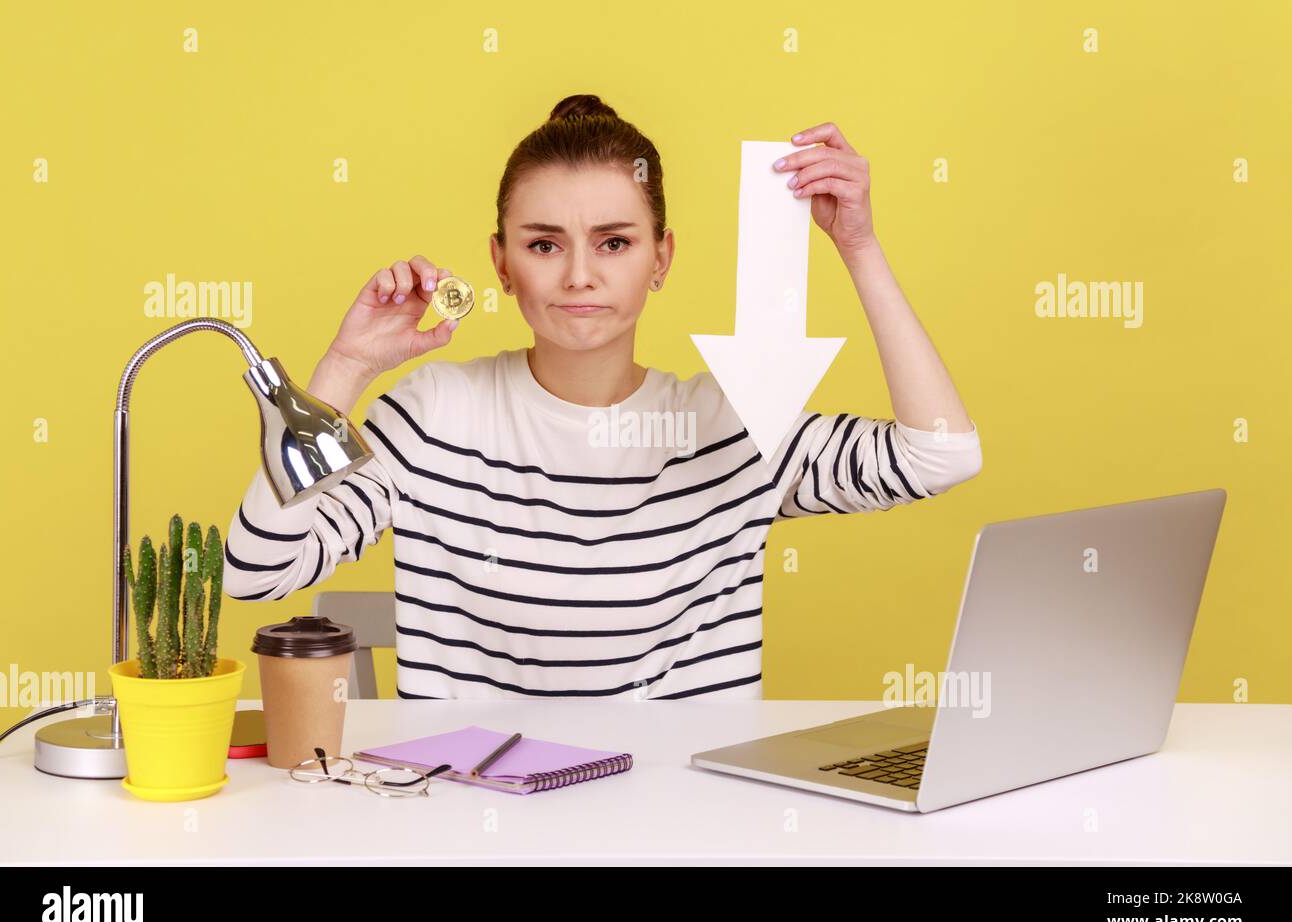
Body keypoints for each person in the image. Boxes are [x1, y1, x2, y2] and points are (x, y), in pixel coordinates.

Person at [222, 93, 982, 700]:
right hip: (477, 823)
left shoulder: (731, 423)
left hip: (683, 828)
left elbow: (940, 454)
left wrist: (859, 246)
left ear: (662, 258)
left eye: (614, 242)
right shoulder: (432, 416)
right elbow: (257, 571)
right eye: (544, 244)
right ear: (501, 263)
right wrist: (346, 369)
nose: (579, 274)